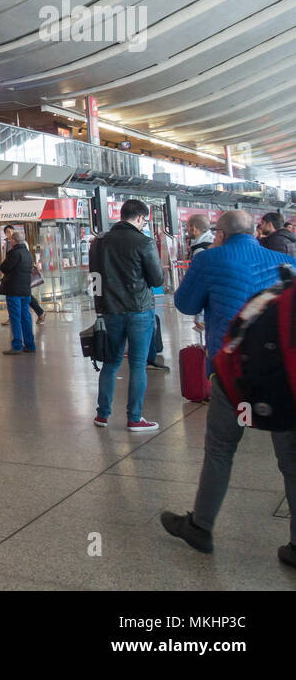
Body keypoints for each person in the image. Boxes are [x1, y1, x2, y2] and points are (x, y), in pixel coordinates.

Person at [161, 285, 296, 565]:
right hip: (282, 385)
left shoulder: (282, 281)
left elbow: (185, 302)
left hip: (239, 376)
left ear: (221, 236)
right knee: (292, 463)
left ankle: (200, 527)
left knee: (220, 449)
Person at [173, 210, 296, 376]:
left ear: (222, 234)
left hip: (226, 356)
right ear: (253, 232)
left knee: (232, 400)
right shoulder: (288, 262)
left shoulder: (206, 259)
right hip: (277, 358)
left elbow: (186, 305)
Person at [90, 200, 163, 431]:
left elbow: (94, 279)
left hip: (110, 311)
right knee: (138, 365)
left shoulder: (98, 243)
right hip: (139, 311)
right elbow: (157, 280)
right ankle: (134, 418)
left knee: (110, 364)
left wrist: (99, 308)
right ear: (140, 218)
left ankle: (102, 415)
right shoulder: (144, 242)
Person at [0, 231, 36, 355]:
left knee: (15, 318)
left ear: (13, 241)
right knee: (26, 317)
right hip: (25, 290)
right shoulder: (27, 253)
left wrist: (6, 253)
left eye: (10, 240)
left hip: (14, 290)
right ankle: (30, 345)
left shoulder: (14, 253)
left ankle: (17, 345)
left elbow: (4, 267)